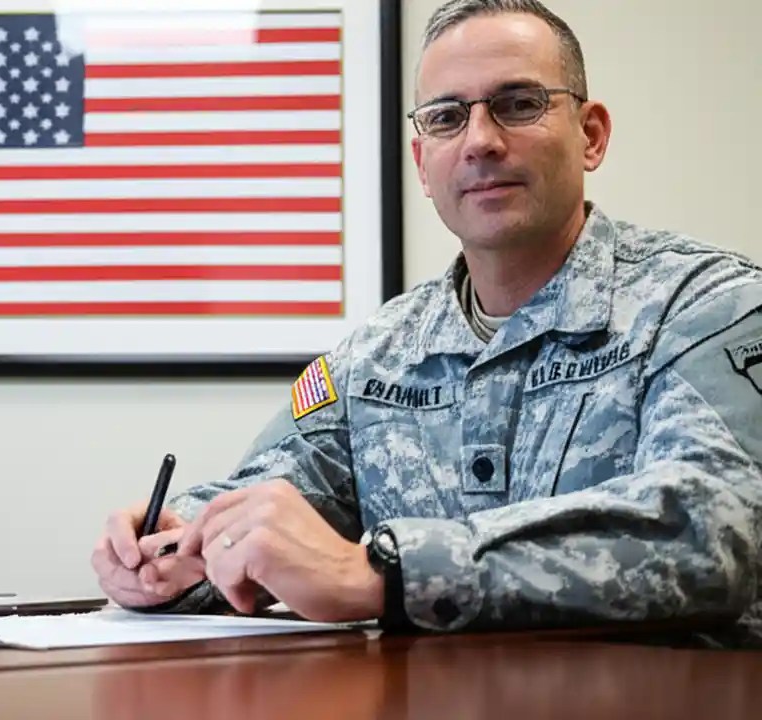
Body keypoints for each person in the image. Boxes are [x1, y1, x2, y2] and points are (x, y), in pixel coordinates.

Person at [91, 0, 762, 645]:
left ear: (591, 136)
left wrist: (383, 574)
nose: (480, 141)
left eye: (519, 104)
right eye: (446, 118)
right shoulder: (373, 359)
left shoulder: (709, 307)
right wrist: (174, 550)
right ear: (422, 164)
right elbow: (269, 504)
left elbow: (717, 527)